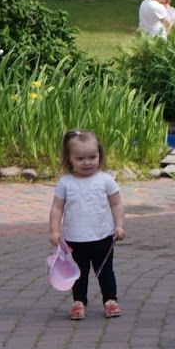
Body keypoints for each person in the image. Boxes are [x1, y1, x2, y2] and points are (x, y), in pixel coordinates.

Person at [48, 129, 125, 321]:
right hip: (74, 239)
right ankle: (79, 301)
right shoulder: (65, 183)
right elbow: (57, 208)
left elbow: (116, 204)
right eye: (80, 158)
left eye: (93, 156)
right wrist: (54, 230)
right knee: (78, 273)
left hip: (103, 236)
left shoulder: (105, 180)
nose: (87, 162)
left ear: (100, 154)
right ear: (69, 159)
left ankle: (110, 300)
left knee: (105, 271)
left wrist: (120, 225)